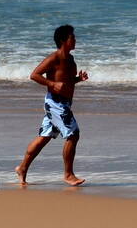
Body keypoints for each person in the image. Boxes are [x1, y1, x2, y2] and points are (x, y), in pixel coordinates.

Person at [15, 24, 88, 186]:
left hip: (64, 104)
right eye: (72, 37)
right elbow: (34, 75)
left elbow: (66, 80)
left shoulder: (70, 59)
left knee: (44, 137)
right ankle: (68, 175)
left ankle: (22, 168)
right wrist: (52, 84)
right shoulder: (53, 58)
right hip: (55, 103)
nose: (75, 40)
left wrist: (78, 79)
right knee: (73, 134)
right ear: (63, 40)